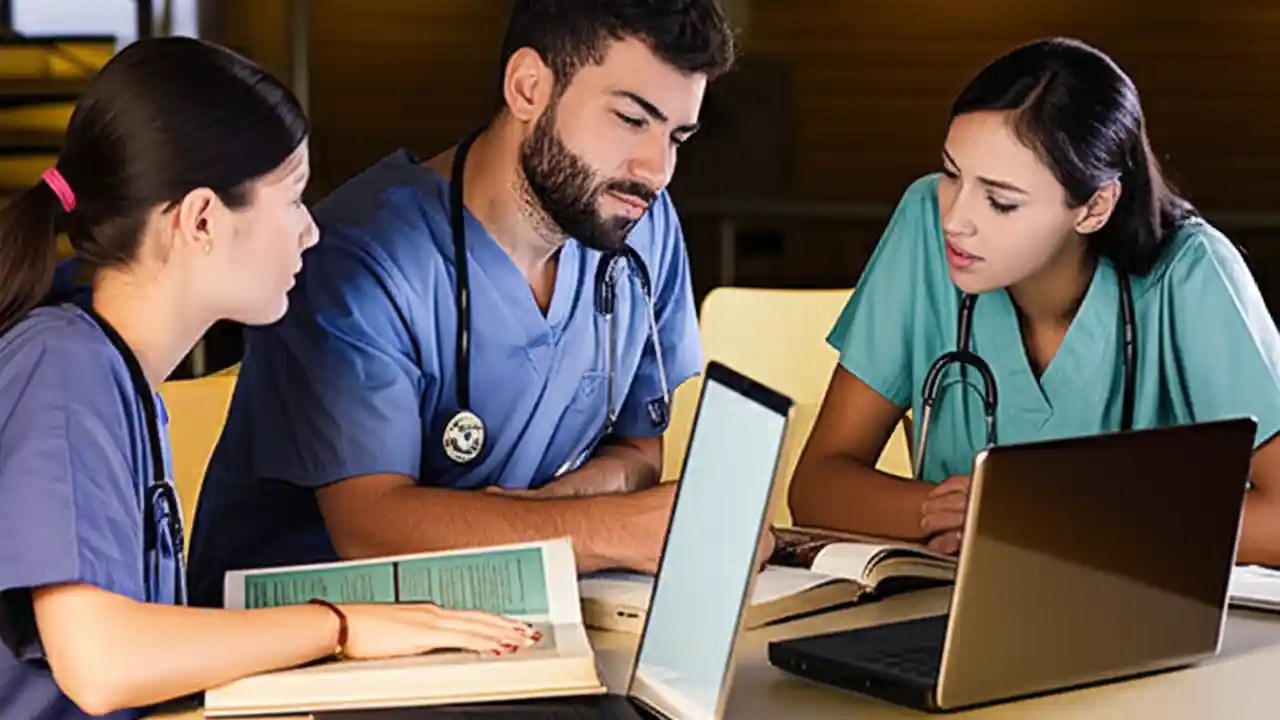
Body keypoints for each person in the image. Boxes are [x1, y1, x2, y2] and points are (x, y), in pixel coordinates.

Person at [0, 38, 536, 720]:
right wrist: (342, 627)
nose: (311, 233)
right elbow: (104, 664)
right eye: (291, 200)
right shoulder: (64, 367)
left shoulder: (111, 365)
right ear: (200, 220)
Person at [185, 0, 736, 608]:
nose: (656, 170)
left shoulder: (641, 229)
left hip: (509, 616)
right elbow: (371, 529)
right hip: (314, 643)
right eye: (632, 120)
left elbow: (636, 452)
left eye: (676, 136)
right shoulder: (360, 260)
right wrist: (608, 529)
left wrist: (533, 519)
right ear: (528, 88)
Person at [788, 37, 1280, 565]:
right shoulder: (923, 224)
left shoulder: (1190, 273)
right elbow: (817, 486)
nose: (956, 219)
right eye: (952, 174)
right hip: (944, 615)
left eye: (1000, 201)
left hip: (1137, 620)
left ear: (1094, 207)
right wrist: (940, 511)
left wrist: (1053, 516)